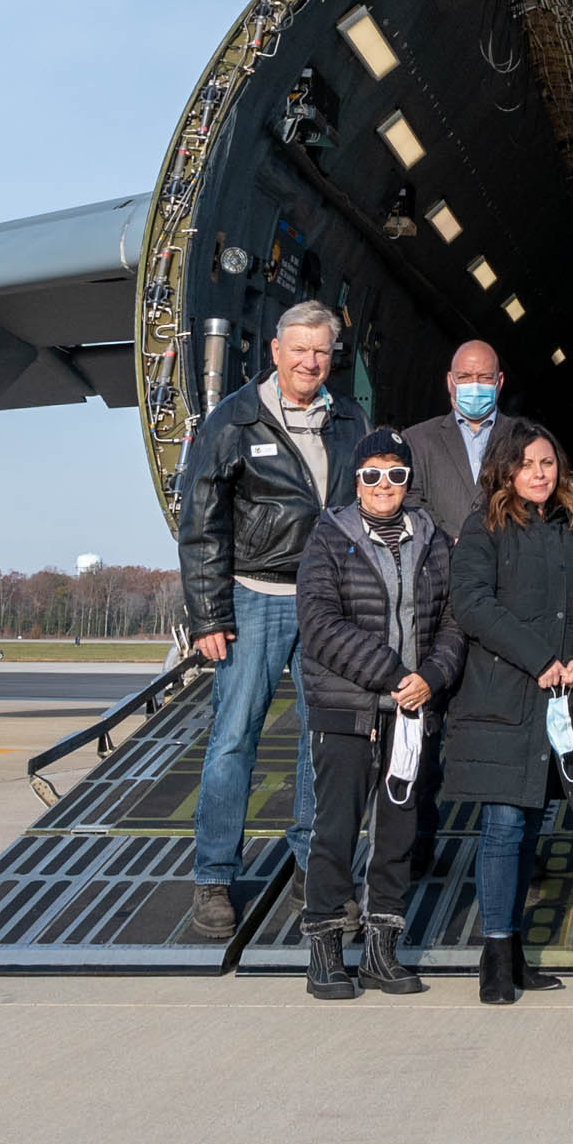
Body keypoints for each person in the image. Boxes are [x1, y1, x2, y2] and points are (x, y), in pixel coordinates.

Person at [177, 301, 368, 940]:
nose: (310, 362)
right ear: (276, 352)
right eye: (300, 350)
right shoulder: (233, 419)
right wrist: (209, 612)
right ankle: (213, 876)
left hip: (326, 605)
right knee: (234, 738)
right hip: (255, 597)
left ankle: (313, 870)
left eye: (322, 352)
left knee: (324, 742)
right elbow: (200, 520)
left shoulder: (349, 420)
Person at [447, 416, 573, 1005]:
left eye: (548, 464)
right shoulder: (485, 527)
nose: (539, 474)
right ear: (505, 471)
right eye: (527, 465)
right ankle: (494, 957)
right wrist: (541, 657)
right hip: (502, 698)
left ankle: (514, 952)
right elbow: (470, 603)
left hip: (560, 702)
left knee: (533, 827)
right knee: (504, 827)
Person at [295, 427, 465, 999]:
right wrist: (393, 676)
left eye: (395, 473)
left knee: (396, 835)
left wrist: (432, 677)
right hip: (347, 712)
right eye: (372, 474)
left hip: (411, 717)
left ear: (408, 480)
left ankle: (382, 953)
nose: (384, 484)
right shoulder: (328, 536)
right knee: (335, 831)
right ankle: (323, 950)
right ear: (357, 481)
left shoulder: (434, 540)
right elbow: (319, 625)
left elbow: (454, 620)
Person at [402, 339, 508, 538]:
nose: (474, 386)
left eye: (485, 377)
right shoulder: (417, 439)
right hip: (440, 560)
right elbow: (410, 501)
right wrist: (450, 538)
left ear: (499, 381)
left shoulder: (523, 438)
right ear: (450, 381)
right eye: (464, 377)